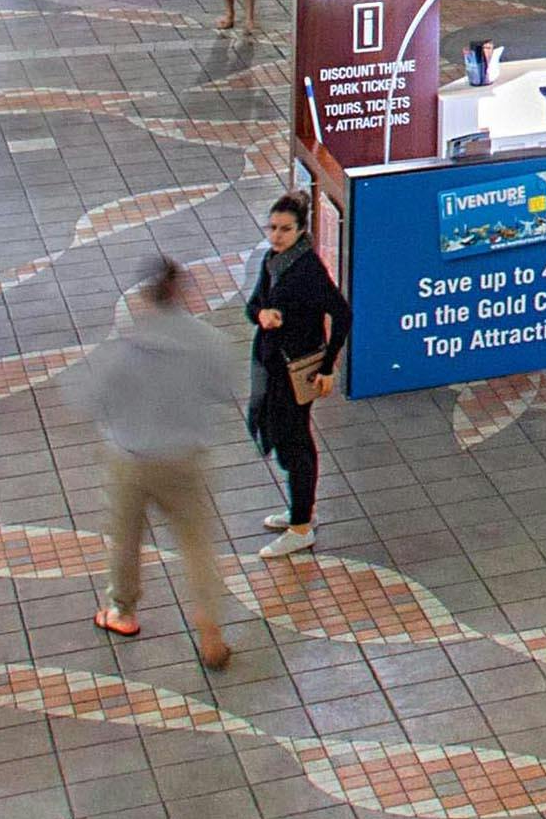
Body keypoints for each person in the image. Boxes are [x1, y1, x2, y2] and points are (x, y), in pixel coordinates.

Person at [71, 257, 249, 665]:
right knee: (197, 544)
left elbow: (86, 398)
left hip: (129, 459)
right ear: (182, 294)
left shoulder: (125, 347)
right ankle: (209, 621)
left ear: (144, 298)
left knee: (126, 537)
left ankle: (123, 611)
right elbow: (227, 388)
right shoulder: (208, 341)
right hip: (185, 459)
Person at [243, 189, 347, 544]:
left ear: (302, 230)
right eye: (272, 228)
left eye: (285, 229)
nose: (276, 236)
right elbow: (252, 304)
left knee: (295, 442)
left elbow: (342, 313)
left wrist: (329, 366)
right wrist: (262, 314)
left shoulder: (308, 270)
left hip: (297, 368)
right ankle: (301, 510)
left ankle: (301, 526)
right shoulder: (272, 262)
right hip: (272, 365)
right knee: (285, 437)